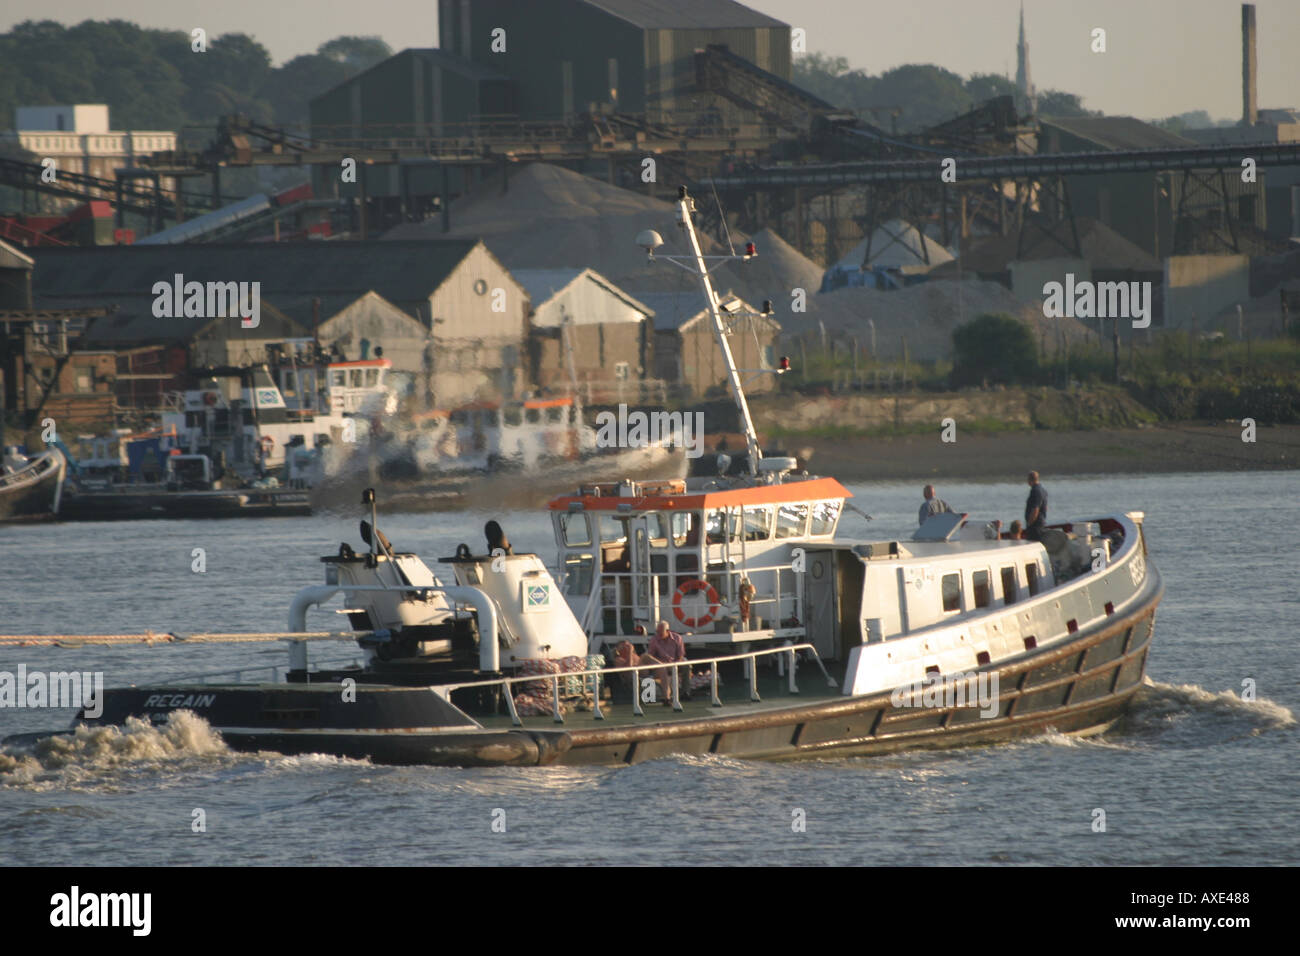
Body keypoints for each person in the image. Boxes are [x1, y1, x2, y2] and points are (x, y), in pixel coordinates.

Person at [643, 620, 690, 704]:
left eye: (661, 632)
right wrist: (661, 664)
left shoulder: (677, 638)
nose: (659, 634)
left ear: (668, 631)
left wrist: (674, 665)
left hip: (674, 662)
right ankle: (664, 696)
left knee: (686, 665)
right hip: (660, 664)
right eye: (657, 632)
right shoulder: (654, 640)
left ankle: (685, 692)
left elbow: (680, 655)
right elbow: (651, 656)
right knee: (660, 669)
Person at [1024, 472, 1048, 541]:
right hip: (1041, 523)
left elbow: (1035, 509)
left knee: (1032, 543)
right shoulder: (1043, 490)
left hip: (1035, 526)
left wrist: (1029, 524)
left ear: (1030, 480)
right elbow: (1045, 507)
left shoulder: (1035, 491)